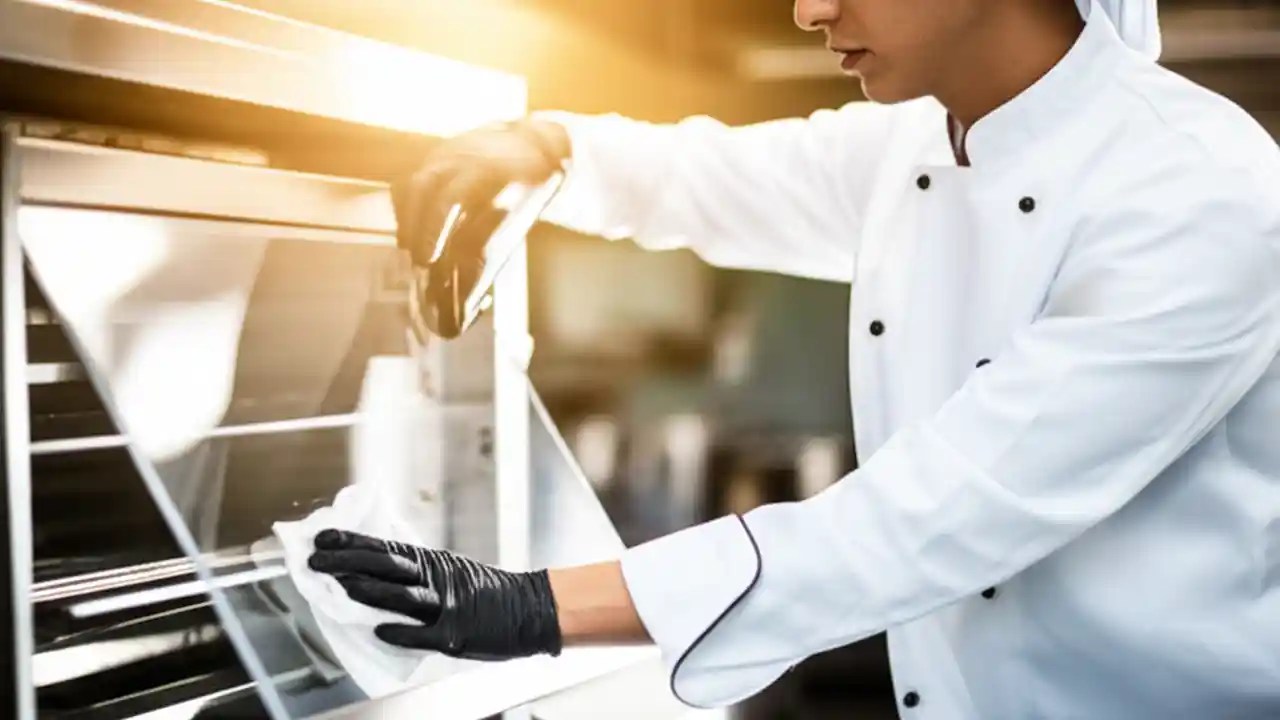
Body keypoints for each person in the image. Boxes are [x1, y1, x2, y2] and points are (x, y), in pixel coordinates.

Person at [307, 0, 1280, 716]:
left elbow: (936, 518)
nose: (808, 9)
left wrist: (530, 607)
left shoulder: (1195, 193)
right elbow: (709, 179)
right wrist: (545, 148)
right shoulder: (918, 142)